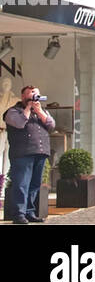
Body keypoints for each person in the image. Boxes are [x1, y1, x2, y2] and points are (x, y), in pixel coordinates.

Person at [3, 85, 55, 223]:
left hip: (40, 152)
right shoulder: (13, 111)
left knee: (34, 185)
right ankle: (18, 214)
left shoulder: (41, 111)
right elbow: (19, 123)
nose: (34, 97)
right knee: (21, 184)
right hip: (22, 154)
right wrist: (28, 108)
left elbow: (51, 125)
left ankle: (29, 212)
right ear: (23, 97)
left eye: (36, 95)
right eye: (31, 94)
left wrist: (38, 110)